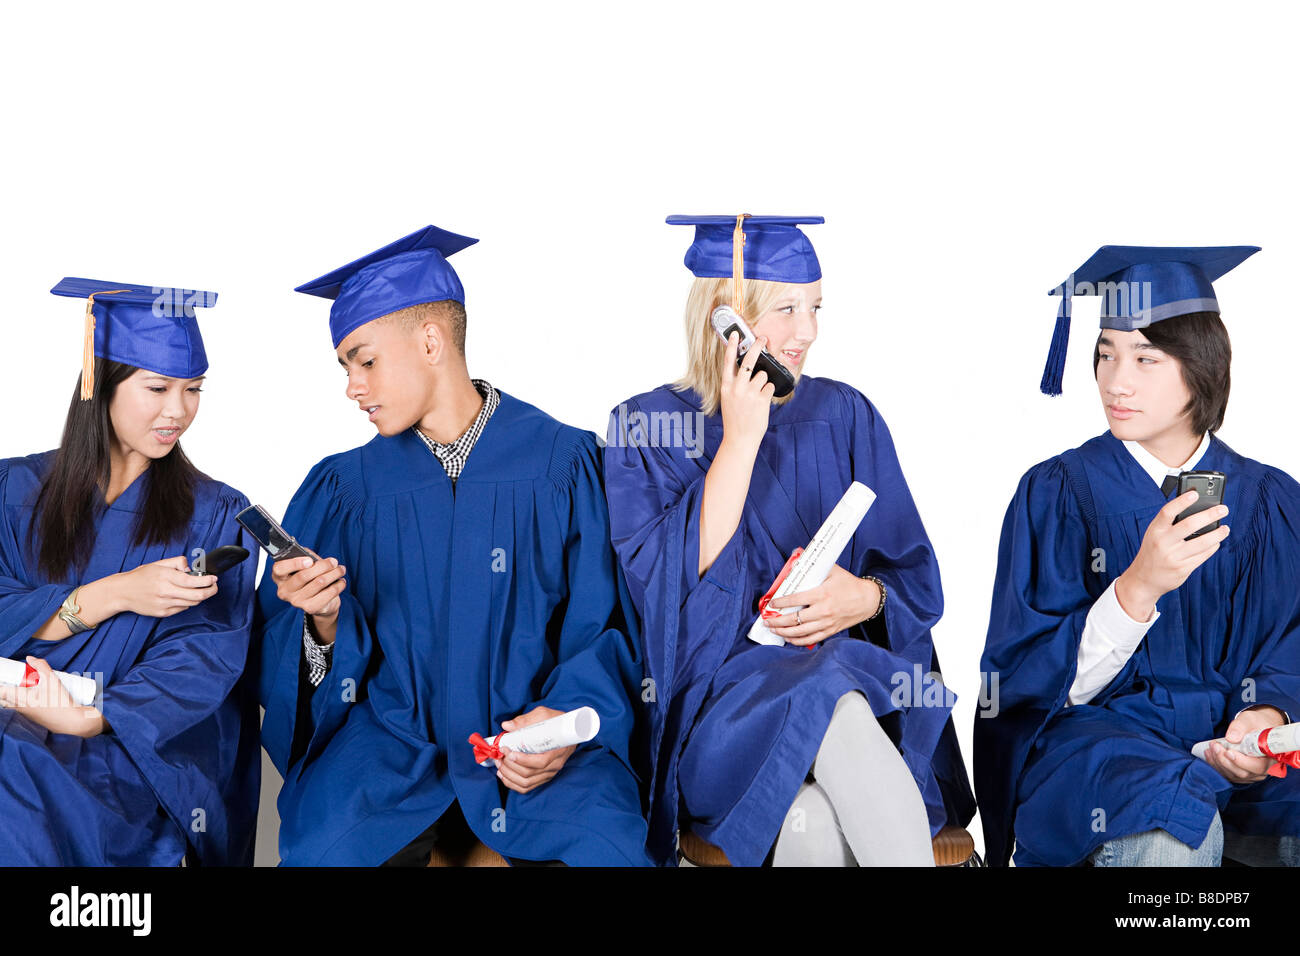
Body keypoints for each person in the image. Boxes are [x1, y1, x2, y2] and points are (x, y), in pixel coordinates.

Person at [255, 225, 651, 866]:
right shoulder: (344, 488)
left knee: (607, 847)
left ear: (432, 341)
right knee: (325, 851)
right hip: (390, 751)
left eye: (365, 359)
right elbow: (289, 664)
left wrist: (561, 723)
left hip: (531, 751)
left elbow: (604, 628)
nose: (352, 386)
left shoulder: (563, 464)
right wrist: (323, 621)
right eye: (346, 367)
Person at [603, 214, 975, 866]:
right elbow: (664, 608)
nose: (808, 331)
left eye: (816, 307)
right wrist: (741, 439)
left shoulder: (843, 413)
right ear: (727, 315)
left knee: (809, 820)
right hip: (720, 719)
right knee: (828, 695)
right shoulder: (644, 427)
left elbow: (915, 579)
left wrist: (862, 599)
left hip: (860, 684)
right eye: (786, 308)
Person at [976, 245, 1300, 867]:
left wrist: (1265, 716)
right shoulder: (1058, 493)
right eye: (1105, 354)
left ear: (1201, 368)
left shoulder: (1266, 500)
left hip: (1240, 748)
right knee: (1171, 830)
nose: (1115, 382)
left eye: (1146, 359)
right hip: (1100, 752)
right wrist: (1135, 590)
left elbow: (1291, 637)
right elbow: (1024, 687)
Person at [0, 278, 260, 865]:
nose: (180, 410)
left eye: (193, 389)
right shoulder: (12, 489)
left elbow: (204, 653)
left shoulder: (215, 513)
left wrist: (93, 718)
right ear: (101, 382)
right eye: (158, 387)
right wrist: (112, 595)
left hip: (125, 745)